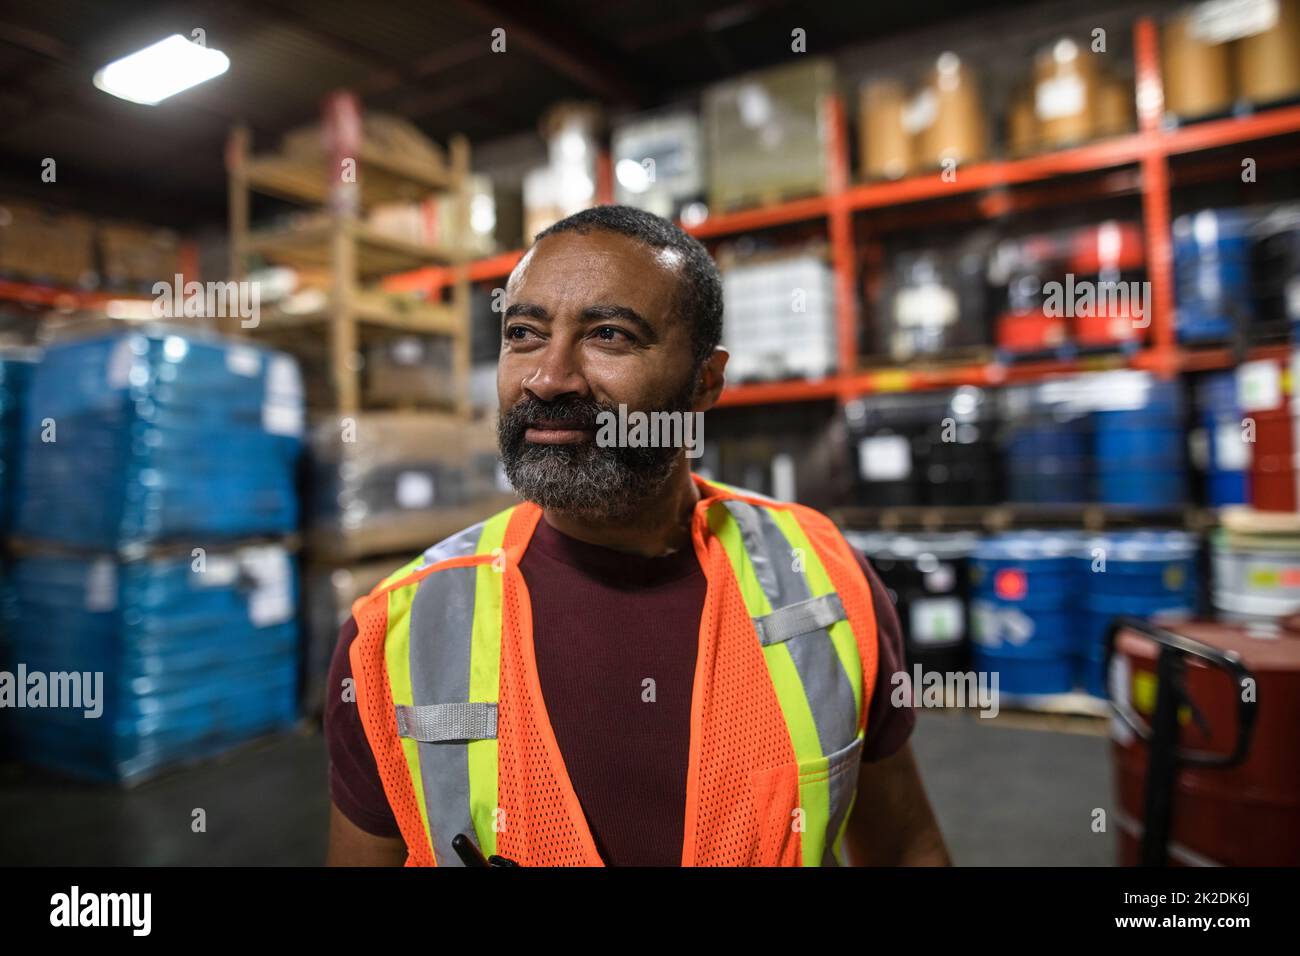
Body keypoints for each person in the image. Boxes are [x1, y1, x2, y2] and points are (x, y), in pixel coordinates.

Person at [325, 204, 950, 866]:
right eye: (525, 333)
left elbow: (906, 845)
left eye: (609, 336)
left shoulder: (821, 576)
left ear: (705, 382)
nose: (549, 377)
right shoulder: (397, 633)